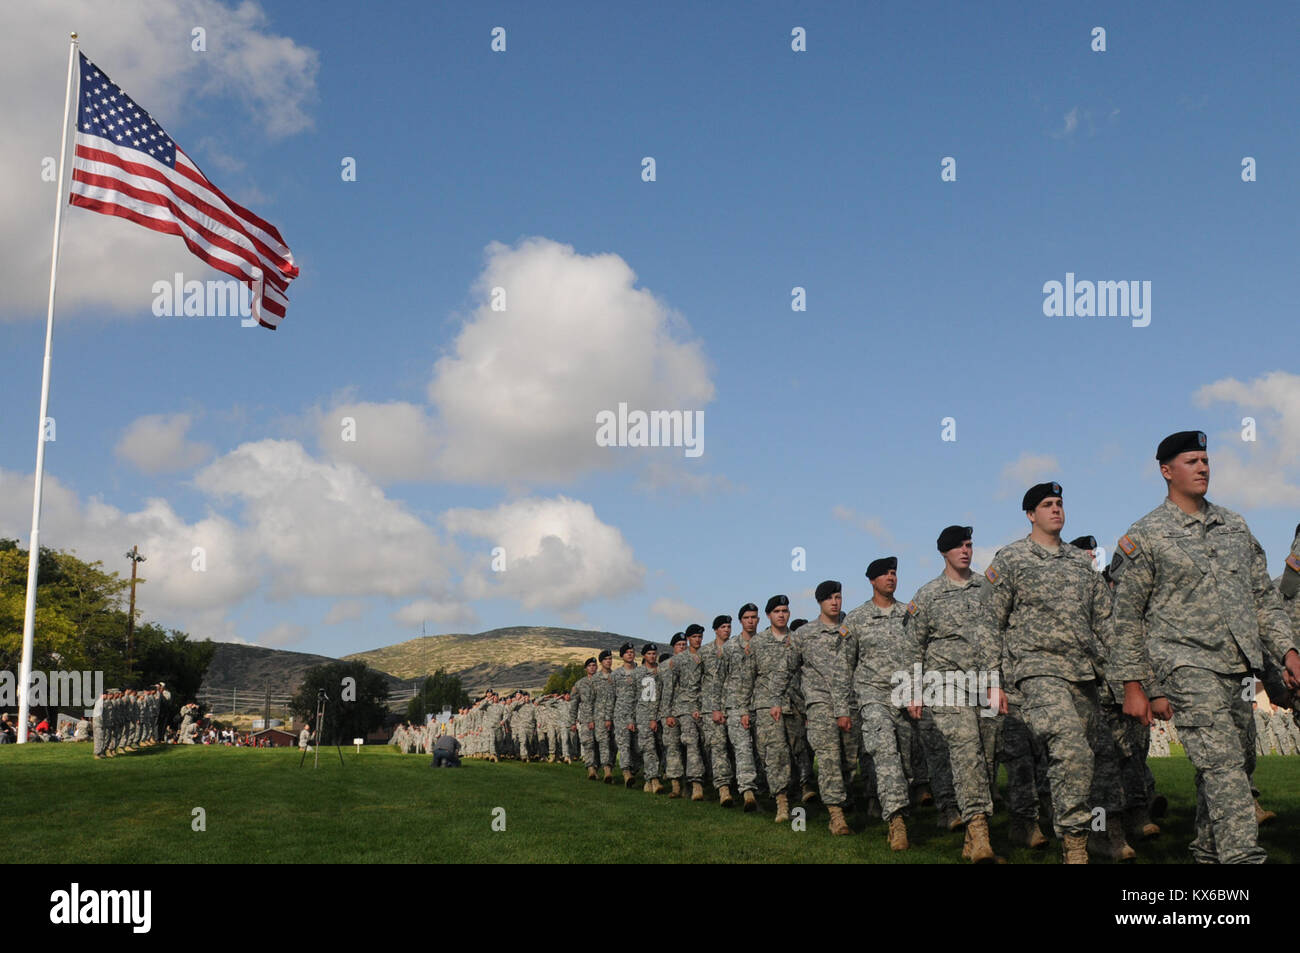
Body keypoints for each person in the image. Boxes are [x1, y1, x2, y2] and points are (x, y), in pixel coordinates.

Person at [1111, 430, 1300, 864]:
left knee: (1235, 761)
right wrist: (1136, 685)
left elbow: (1263, 599)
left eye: (1205, 460)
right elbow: (1126, 618)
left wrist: (1288, 653)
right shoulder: (1147, 534)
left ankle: (1206, 852)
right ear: (1166, 471)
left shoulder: (1234, 526)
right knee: (1223, 766)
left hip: (1238, 668)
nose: (1202, 467)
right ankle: (1243, 858)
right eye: (1192, 461)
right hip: (1184, 664)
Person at [985, 483, 1131, 864]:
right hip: (1036, 671)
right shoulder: (1012, 559)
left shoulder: (1081, 563)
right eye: (1047, 505)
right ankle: (1075, 846)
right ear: (1031, 515)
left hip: (1084, 676)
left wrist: (1132, 676)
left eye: (1060, 504)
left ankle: (1101, 834)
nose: (1056, 510)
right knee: (1071, 748)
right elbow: (989, 624)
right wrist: (992, 681)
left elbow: (1106, 622)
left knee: (1099, 758)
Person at [908, 524, 1001, 863]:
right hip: (945, 686)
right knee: (966, 750)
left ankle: (970, 837)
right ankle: (979, 834)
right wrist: (914, 692)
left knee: (987, 759)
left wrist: (997, 683)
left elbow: (997, 634)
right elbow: (913, 648)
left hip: (984, 683)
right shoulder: (928, 595)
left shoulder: (986, 589)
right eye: (959, 545)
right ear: (944, 552)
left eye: (969, 544)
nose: (966, 550)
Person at [840, 556, 921, 851]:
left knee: (906, 763)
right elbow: (844, 666)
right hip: (872, 696)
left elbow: (918, 656)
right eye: (885, 574)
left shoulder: (909, 614)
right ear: (872, 581)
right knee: (885, 755)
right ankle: (897, 822)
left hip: (904, 698)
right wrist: (842, 708)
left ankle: (900, 806)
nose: (891, 578)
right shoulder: (857, 619)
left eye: (894, 573)